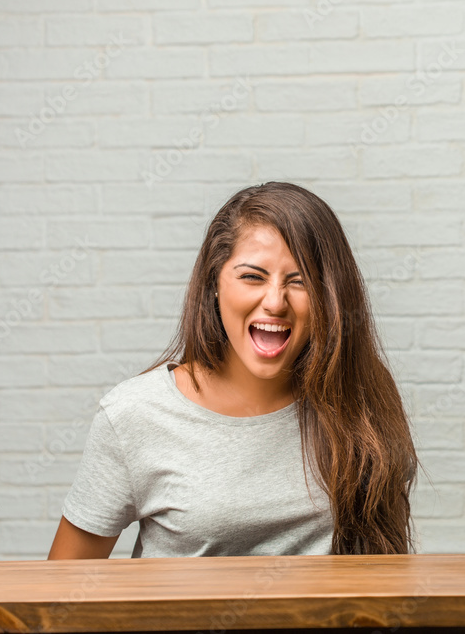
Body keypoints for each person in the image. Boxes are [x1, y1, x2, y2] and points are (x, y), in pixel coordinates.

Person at [48, 182, 419, 559]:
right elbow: (61, 589)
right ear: (213, 284)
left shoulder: (361, 396)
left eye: (300, 282)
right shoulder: (134, 413)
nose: (275, 302)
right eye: (252, 277)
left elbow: (387, 572)